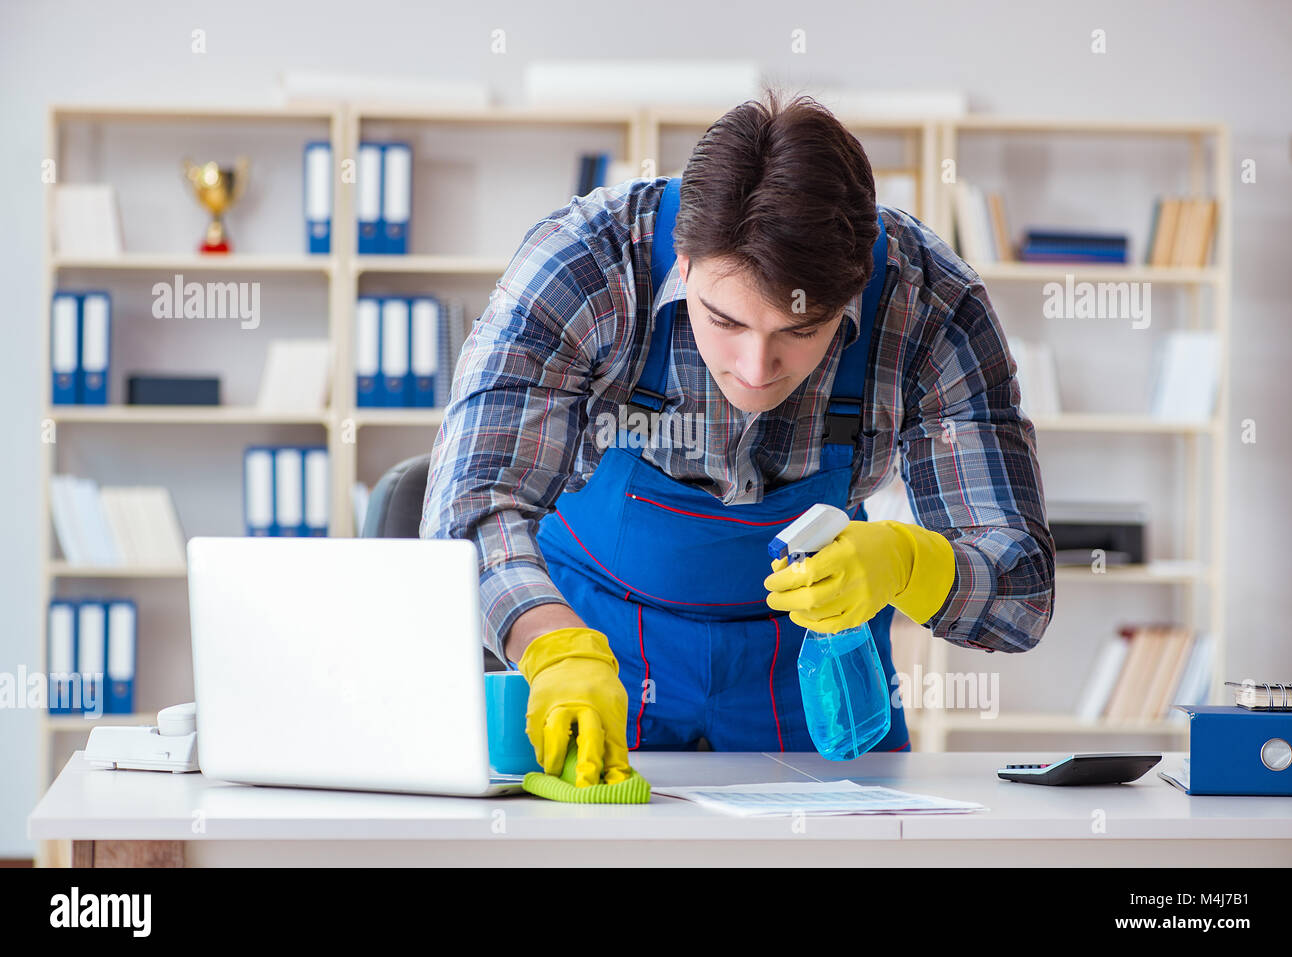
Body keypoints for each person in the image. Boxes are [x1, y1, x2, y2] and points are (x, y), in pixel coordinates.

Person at [421, 89, 1055, 787]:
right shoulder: (584, 267)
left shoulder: (930, 305)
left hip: (810, 662)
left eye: (800, 331)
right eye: (725, 322)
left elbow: (1021, 595)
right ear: (683, 263)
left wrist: (909, 564)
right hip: (598, 645)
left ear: (855, 289)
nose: (756, 370)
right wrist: (553, 647)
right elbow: (468, 511)